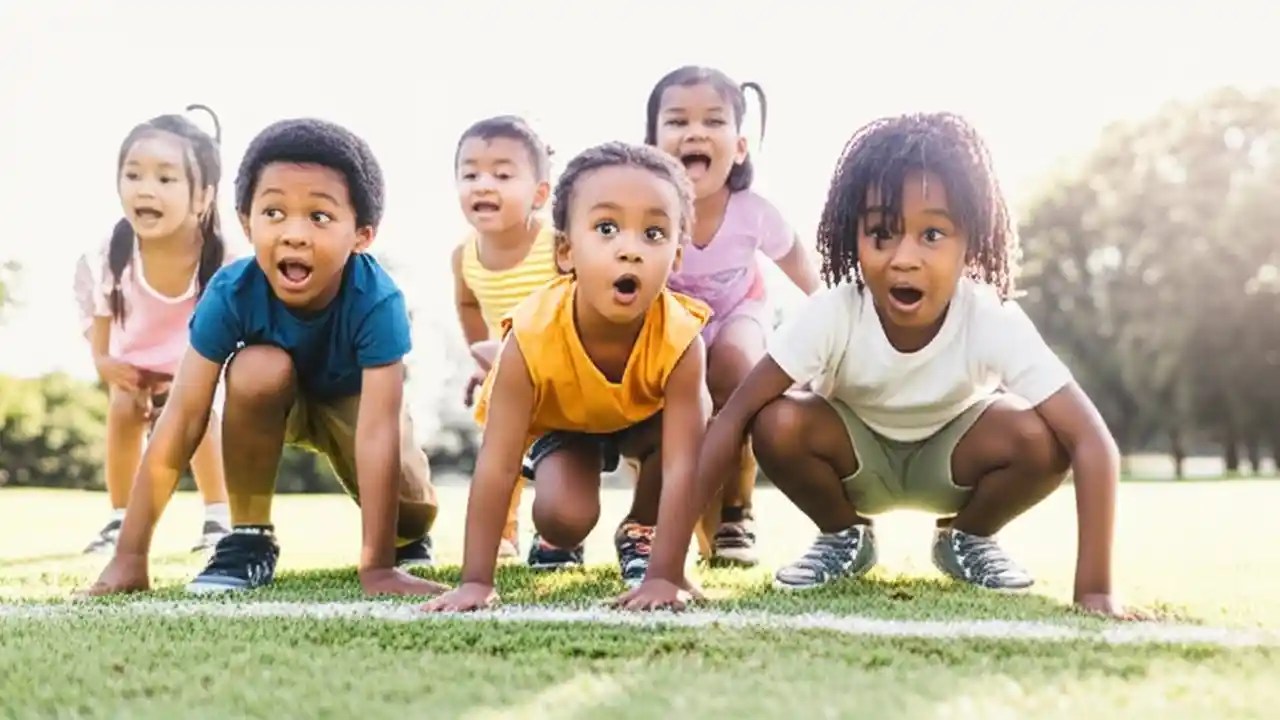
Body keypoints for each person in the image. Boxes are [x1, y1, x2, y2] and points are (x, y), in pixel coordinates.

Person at [684, 112, 1130, 617]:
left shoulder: (990, 315)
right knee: (774, 419)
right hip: (852, 463)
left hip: (952, 463)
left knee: (1043, 437)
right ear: (851, 236)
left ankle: (969, 538)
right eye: (881, 233)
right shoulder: (834, 310)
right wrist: (666, 569)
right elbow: (735, 415)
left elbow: (1092, 441)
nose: (904, 257)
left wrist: (1095, 591)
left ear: (972, 241)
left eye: (933, 234)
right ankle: (842, 535)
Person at [84, 117, 445, 599]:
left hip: (355, 405)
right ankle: (249, 537)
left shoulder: (378, 301)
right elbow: (183, 417)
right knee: (255, 366)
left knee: (412, 512)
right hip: (276, 397)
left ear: (361, 235)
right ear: (245, 221)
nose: (294, 233)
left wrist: (377, 566)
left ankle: (406, 537)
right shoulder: (231, 292)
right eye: (274, 212)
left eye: (319, 217)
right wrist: (130, 556)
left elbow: (377, 432)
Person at [424, 141, 711, 612]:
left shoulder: (682, 339)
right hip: (565, 425)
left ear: (676, 257)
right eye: (606, 228)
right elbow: (496, 464)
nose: (630, 250)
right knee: (564, 516)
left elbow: (684, 465)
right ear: (565, 251)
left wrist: (666, 574)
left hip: (643, 422)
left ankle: (641, 530)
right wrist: (476, 581)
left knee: (703, 420)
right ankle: (555, 540)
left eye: (654, 234)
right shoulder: (532, 335)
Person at [645, 65, 822, 566]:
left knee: (735, 363)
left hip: (740, 311)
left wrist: (832, 312)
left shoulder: (754, 211)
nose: (695, 132)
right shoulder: (649, 208)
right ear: (653, 143)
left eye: (713, 121)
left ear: (739, 146)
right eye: (677, 122)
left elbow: (800, 267)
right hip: (676, 327)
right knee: (683, 380)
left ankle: (737, 514)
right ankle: (664, 514)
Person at [72, 104, 232, 556]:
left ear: (202, 197)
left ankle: (219, 516)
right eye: (133, 175)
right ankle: (120, 517)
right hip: (136, 360)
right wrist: (105, 363)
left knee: (201, 415)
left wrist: (194, 376)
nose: (146, 189)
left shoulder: (221, 256)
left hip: (199, 359)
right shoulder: (112, 251)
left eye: (166, 179)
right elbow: (96, 312)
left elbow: (233, 326)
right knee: (125, 407)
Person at [449, 115, 570, 567]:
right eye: (470, 174)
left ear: (540, 193)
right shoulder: (464, 255)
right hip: (509, 377)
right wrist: (482, 359)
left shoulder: (556, 244)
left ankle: (559, 538)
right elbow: (466, 305)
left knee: (564, 459)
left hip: (563, 379)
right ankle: (501, 536)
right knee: (499, 457)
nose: (484, 185)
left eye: (503, 175)